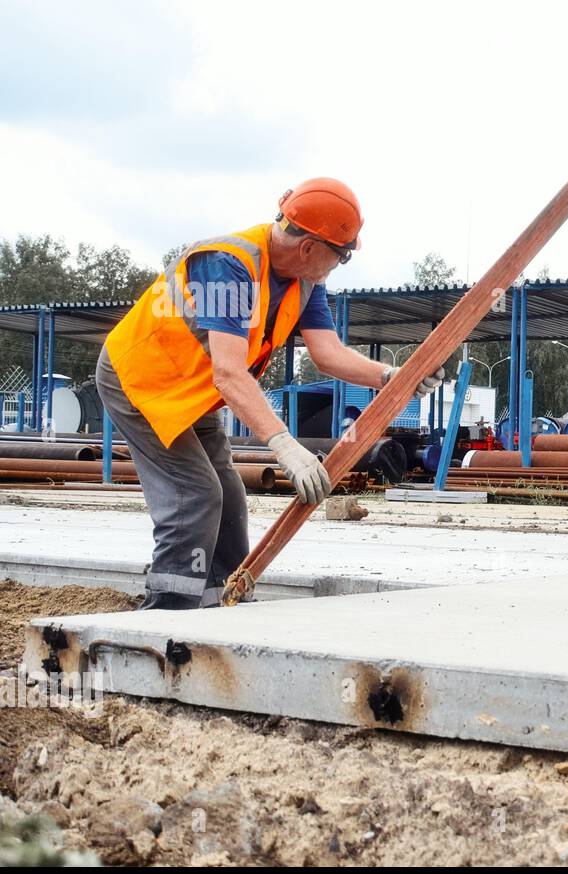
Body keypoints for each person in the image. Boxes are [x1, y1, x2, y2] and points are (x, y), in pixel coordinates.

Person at [96, 178, 443, 609]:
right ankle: (168, 611)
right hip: (139, 381)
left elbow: (327, 353)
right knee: (196, 493)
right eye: (341, 255)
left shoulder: (304, 282)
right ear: (309, 247)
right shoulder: (229, 265)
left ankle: (220, 602)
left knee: (229, 495)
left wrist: (391, 376)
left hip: (193, 388)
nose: (338, 265)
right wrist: (284, 446)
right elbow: (229, 372)